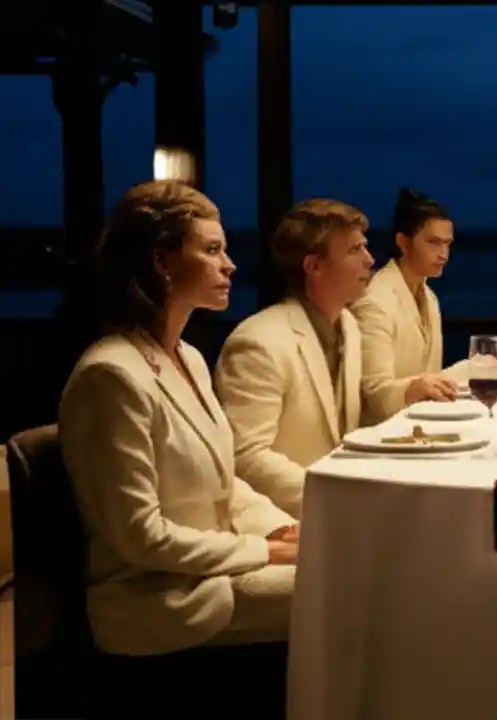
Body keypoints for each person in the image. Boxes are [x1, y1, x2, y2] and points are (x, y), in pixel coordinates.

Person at [59, 180, 298, 656]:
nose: (229, 264)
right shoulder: (111, 375)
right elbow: (140, 539)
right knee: (357, 589)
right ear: (161, 261)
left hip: (209, 573)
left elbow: (223, 479)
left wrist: (281, 528)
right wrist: (263, 551)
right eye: (212, 250)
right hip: (160, 599)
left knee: (358, 569)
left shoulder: (186, 356)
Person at [214, 198, 373, 518]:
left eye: (365, 248)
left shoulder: (349, 325)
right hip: (280, 521)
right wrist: (335, 500)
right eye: (354, 250)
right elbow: (246, 456)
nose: (370, 260)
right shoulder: (258, 342)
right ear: (313, 266)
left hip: (337, 511)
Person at [350, 188, 461, 425]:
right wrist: (413, 388)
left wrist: (494, 366)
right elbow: (375, 393)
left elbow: (434, 379)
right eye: (433, 243)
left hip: (420, 429)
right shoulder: (375, 299)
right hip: (382, 436)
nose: (443, 254)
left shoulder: (428, 296)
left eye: (447, 244)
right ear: (403, 242)